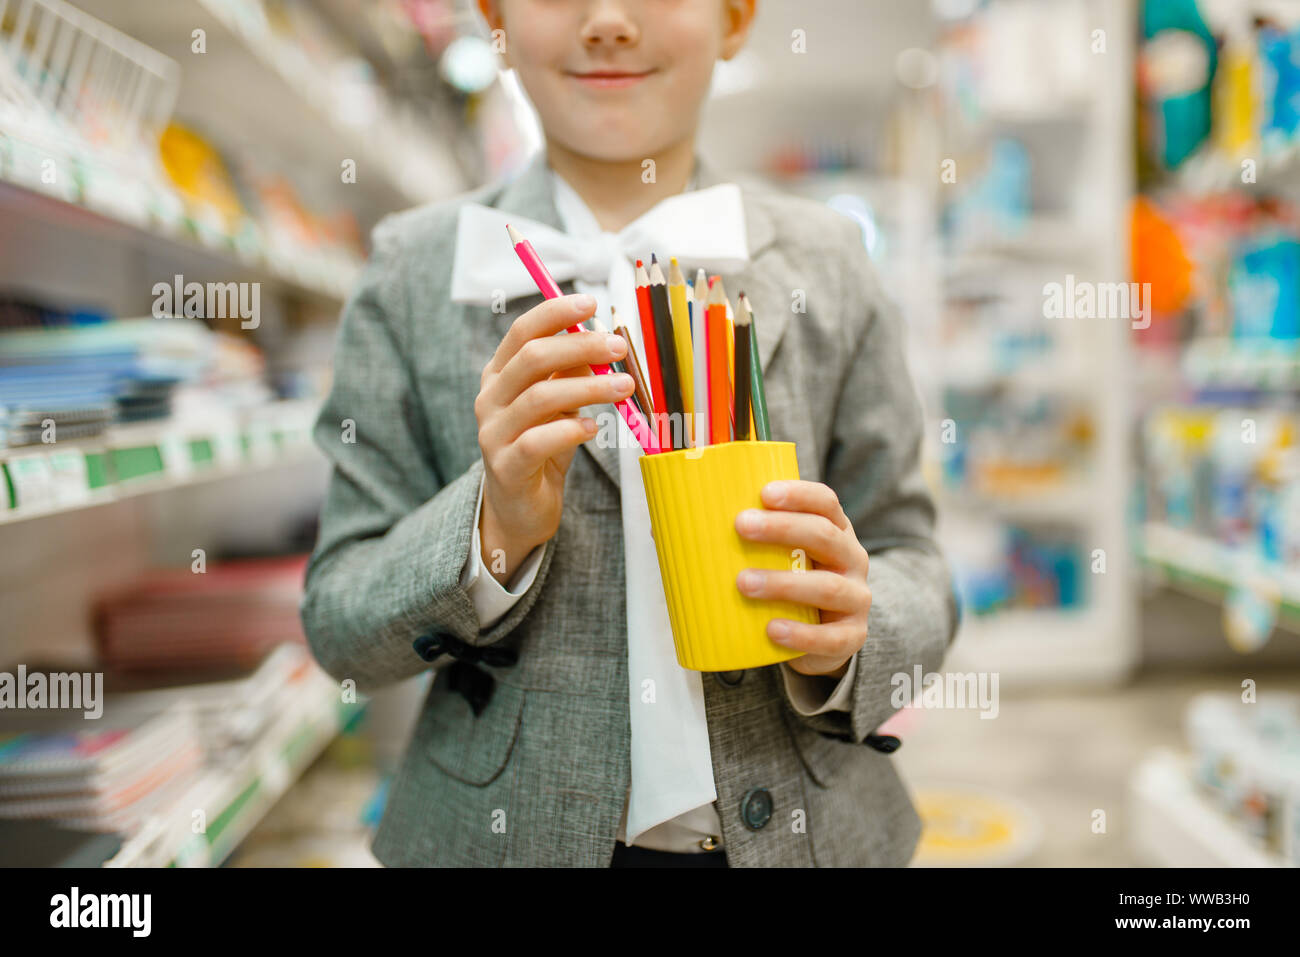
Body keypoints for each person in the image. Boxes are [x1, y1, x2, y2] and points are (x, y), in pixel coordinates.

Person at [300, 0, 959, 867]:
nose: (608, 20)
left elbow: (916, 558)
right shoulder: (411, 273)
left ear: (735, 18)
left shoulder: (829, 263)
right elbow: (340, 622)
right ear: (494, 20)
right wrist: (491, 530)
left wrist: (854, 628)